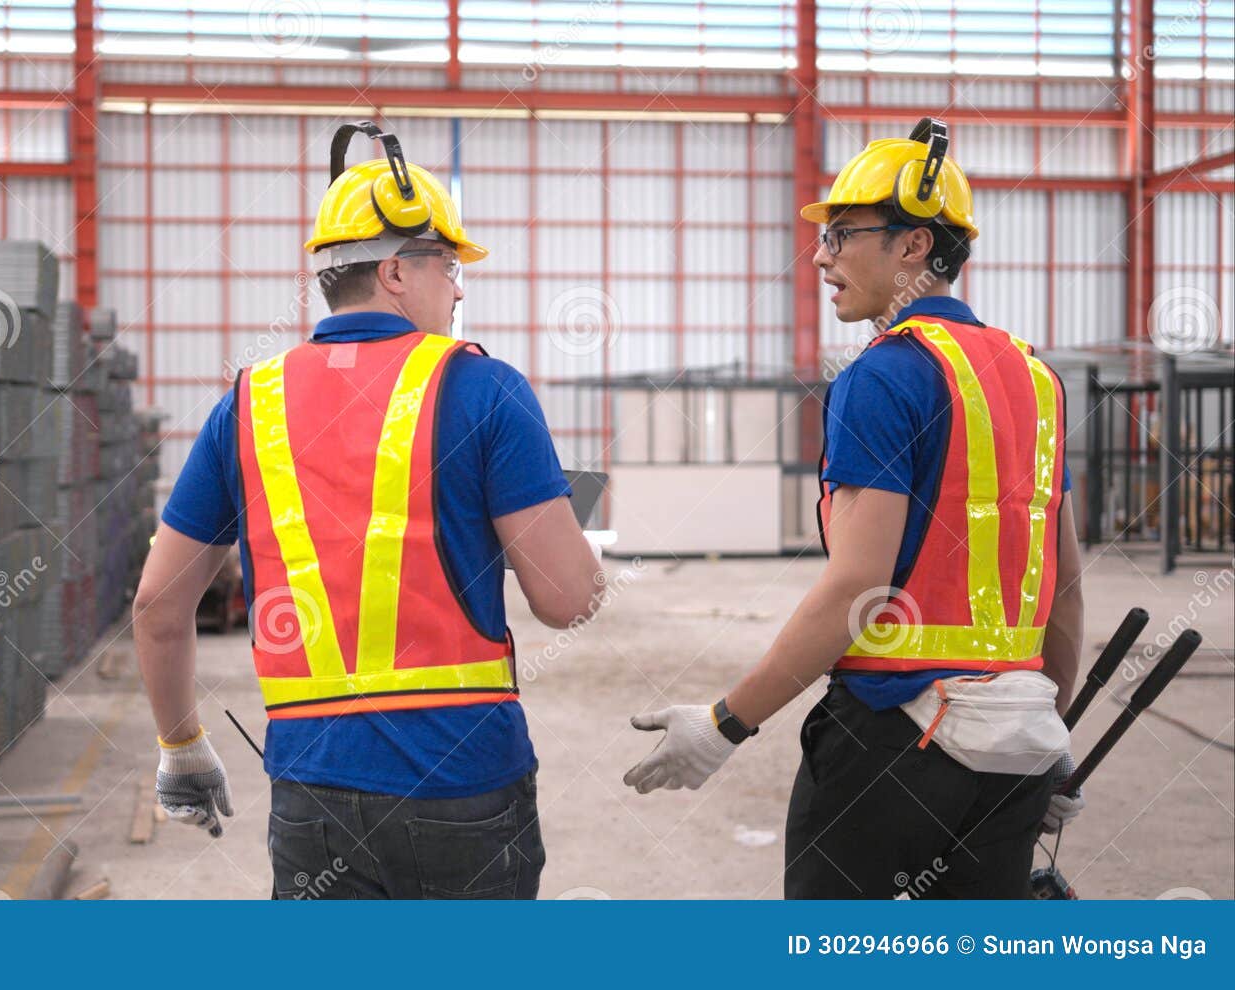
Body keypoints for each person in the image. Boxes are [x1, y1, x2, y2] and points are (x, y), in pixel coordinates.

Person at [133, 122, 603, 899]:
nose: (457, 289)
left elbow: (156, 604)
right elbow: (568, 599)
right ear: (394, 271)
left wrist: (182, 747)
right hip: (466, 788)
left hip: (313, 796)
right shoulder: (484, 389)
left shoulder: (248, 404)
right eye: (449, 266)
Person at [623, 118, 1086, 899]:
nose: (821, 254)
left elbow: (856, 586)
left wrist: (727, 721)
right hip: (1014, 749)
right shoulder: (1035, 378)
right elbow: (1065, 586)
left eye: (843, 233)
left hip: (893, 744)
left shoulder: (885, 375)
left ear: (913, 246)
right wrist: (1046, 735)